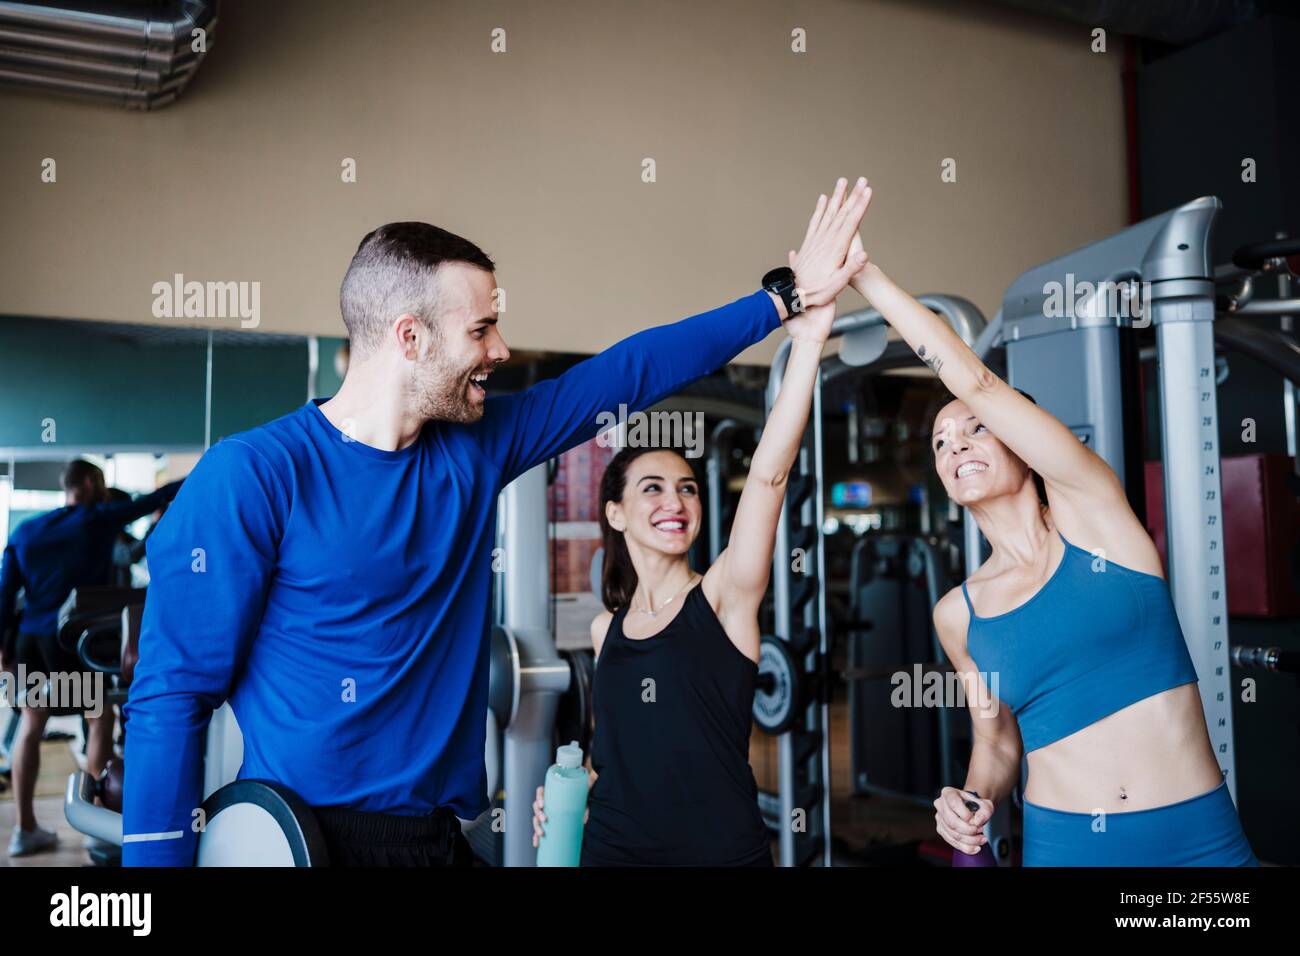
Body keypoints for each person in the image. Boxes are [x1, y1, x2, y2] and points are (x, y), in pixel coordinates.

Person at [124, 180, 873, 866]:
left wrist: (784, 301)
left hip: (442, 838)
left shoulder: (479, 445)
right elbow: (171, 695)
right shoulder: (253, 474)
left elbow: (625, 371)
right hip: (313, 838)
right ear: (409, 337)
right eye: (481, 330)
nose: (501, 349)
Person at [841, 234, 1256, 866]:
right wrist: (971, 797)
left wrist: (865, 276)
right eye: (941, 444)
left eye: (977, 427)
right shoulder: (960, 613)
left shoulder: (1097, 521)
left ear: (1024, 447)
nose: (957, 446)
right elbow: (999, 743)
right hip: (1065, 846)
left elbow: (977, 381)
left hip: (1196, 844)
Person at [529, 185, 869, 865]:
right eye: (652, 488)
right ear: (616, 512)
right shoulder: (606, 630)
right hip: (612, 852)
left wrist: (806, 340)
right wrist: (569, 791)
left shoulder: (724, 598)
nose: (675, 501)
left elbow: (770, 474)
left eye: (686, 488)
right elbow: (613, 753)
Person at [0, 460, 182, 857]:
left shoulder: (26, 531)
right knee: (99, 718)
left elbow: (4, 593)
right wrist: (203, 471)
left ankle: (24, 830)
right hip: (70, 638)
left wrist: (3, 651)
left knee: (31, 723)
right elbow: (154, 498)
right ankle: (97, 827)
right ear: (87, 482)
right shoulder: (94, 519)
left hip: (31, 641)